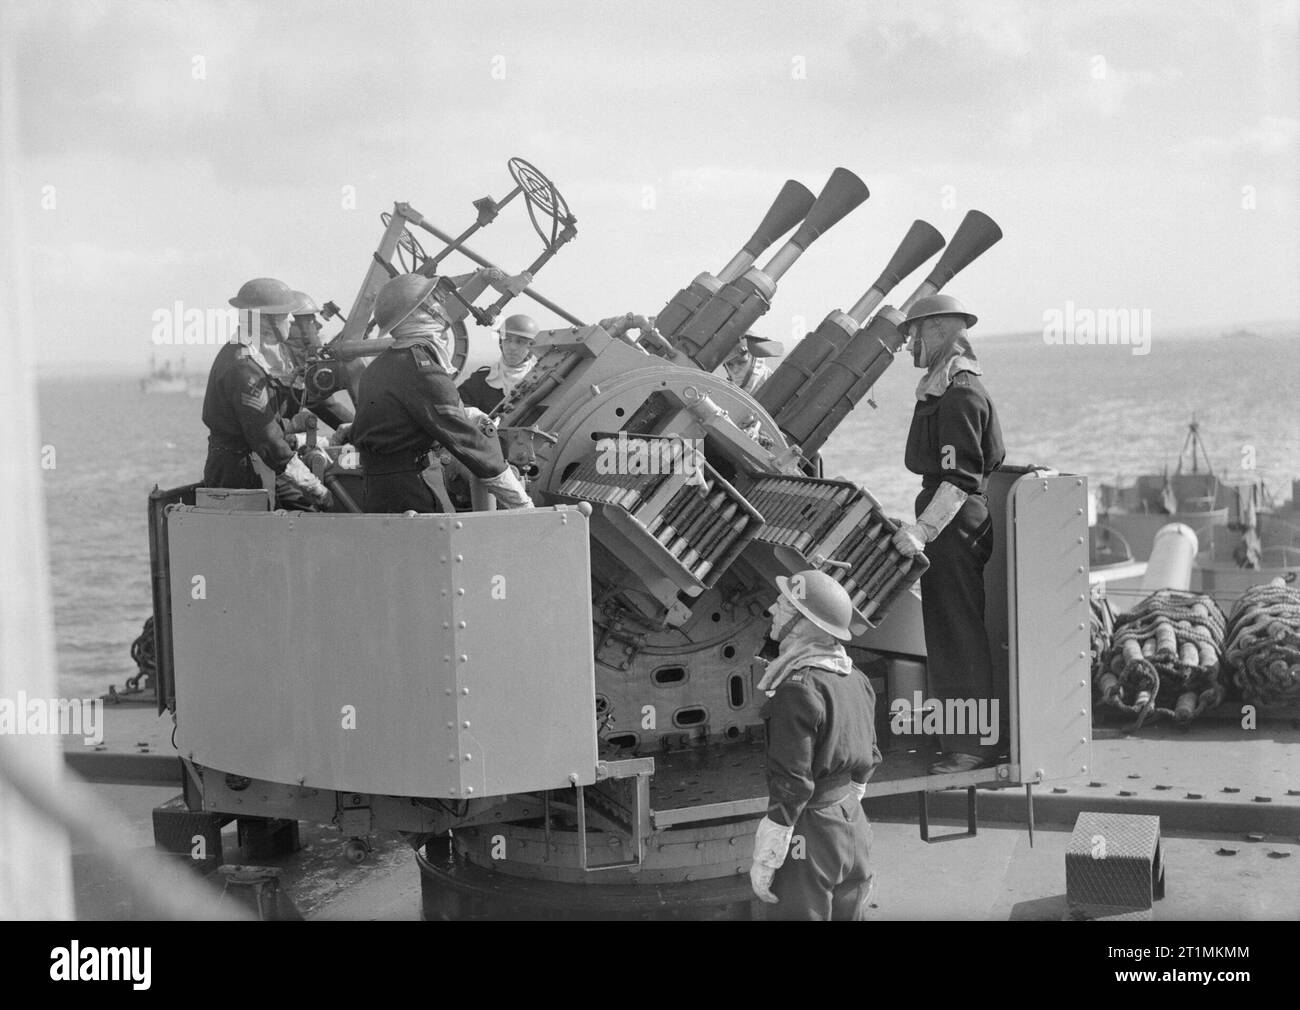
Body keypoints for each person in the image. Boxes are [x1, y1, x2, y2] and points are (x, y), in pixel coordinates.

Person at [890, 294, 1006, 774]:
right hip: (948, 521)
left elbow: (959, 479)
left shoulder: (960, 394)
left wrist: (921, 530)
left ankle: (973, 746)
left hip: (955, 524)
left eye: (915, 332)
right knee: (946, 630)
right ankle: (959, 738)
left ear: (938, 329)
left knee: (959, 633)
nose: (910, 343)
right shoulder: (944, 390)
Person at [749, 570, 880, 920]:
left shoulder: (798, 688)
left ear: (804, 622)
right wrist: (846, 808)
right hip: (853, 823)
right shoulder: (857, 679)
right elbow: (870, 758)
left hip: (809, 831)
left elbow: (792, 781)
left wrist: (770, 851)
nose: (773, 610)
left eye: (784, 604)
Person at [350, 273, 534, 514]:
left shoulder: (378, 367)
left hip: (378, 490)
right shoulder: (421, 369)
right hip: (414, 491)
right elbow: (467, 441)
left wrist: (469, 413)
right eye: (435, 300)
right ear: (421, 312)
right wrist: (521, 501)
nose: (442, 308)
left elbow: (410, 416)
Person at [200, 277, 331, 509]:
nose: (289, 324)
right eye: (283, 317)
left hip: (253, 464)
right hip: (239, 476)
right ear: (264, 322)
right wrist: (316, 488)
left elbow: (269, 428)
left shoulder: (250, 359)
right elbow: (268, 441)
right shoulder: (244, 369)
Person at [457, 313, 539, 413]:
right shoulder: (481, 380)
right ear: (501, 342)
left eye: (520, 342)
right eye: (507, 340)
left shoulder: (539, 382)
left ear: (532, 347)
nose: (512, 347)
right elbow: (455, 406)